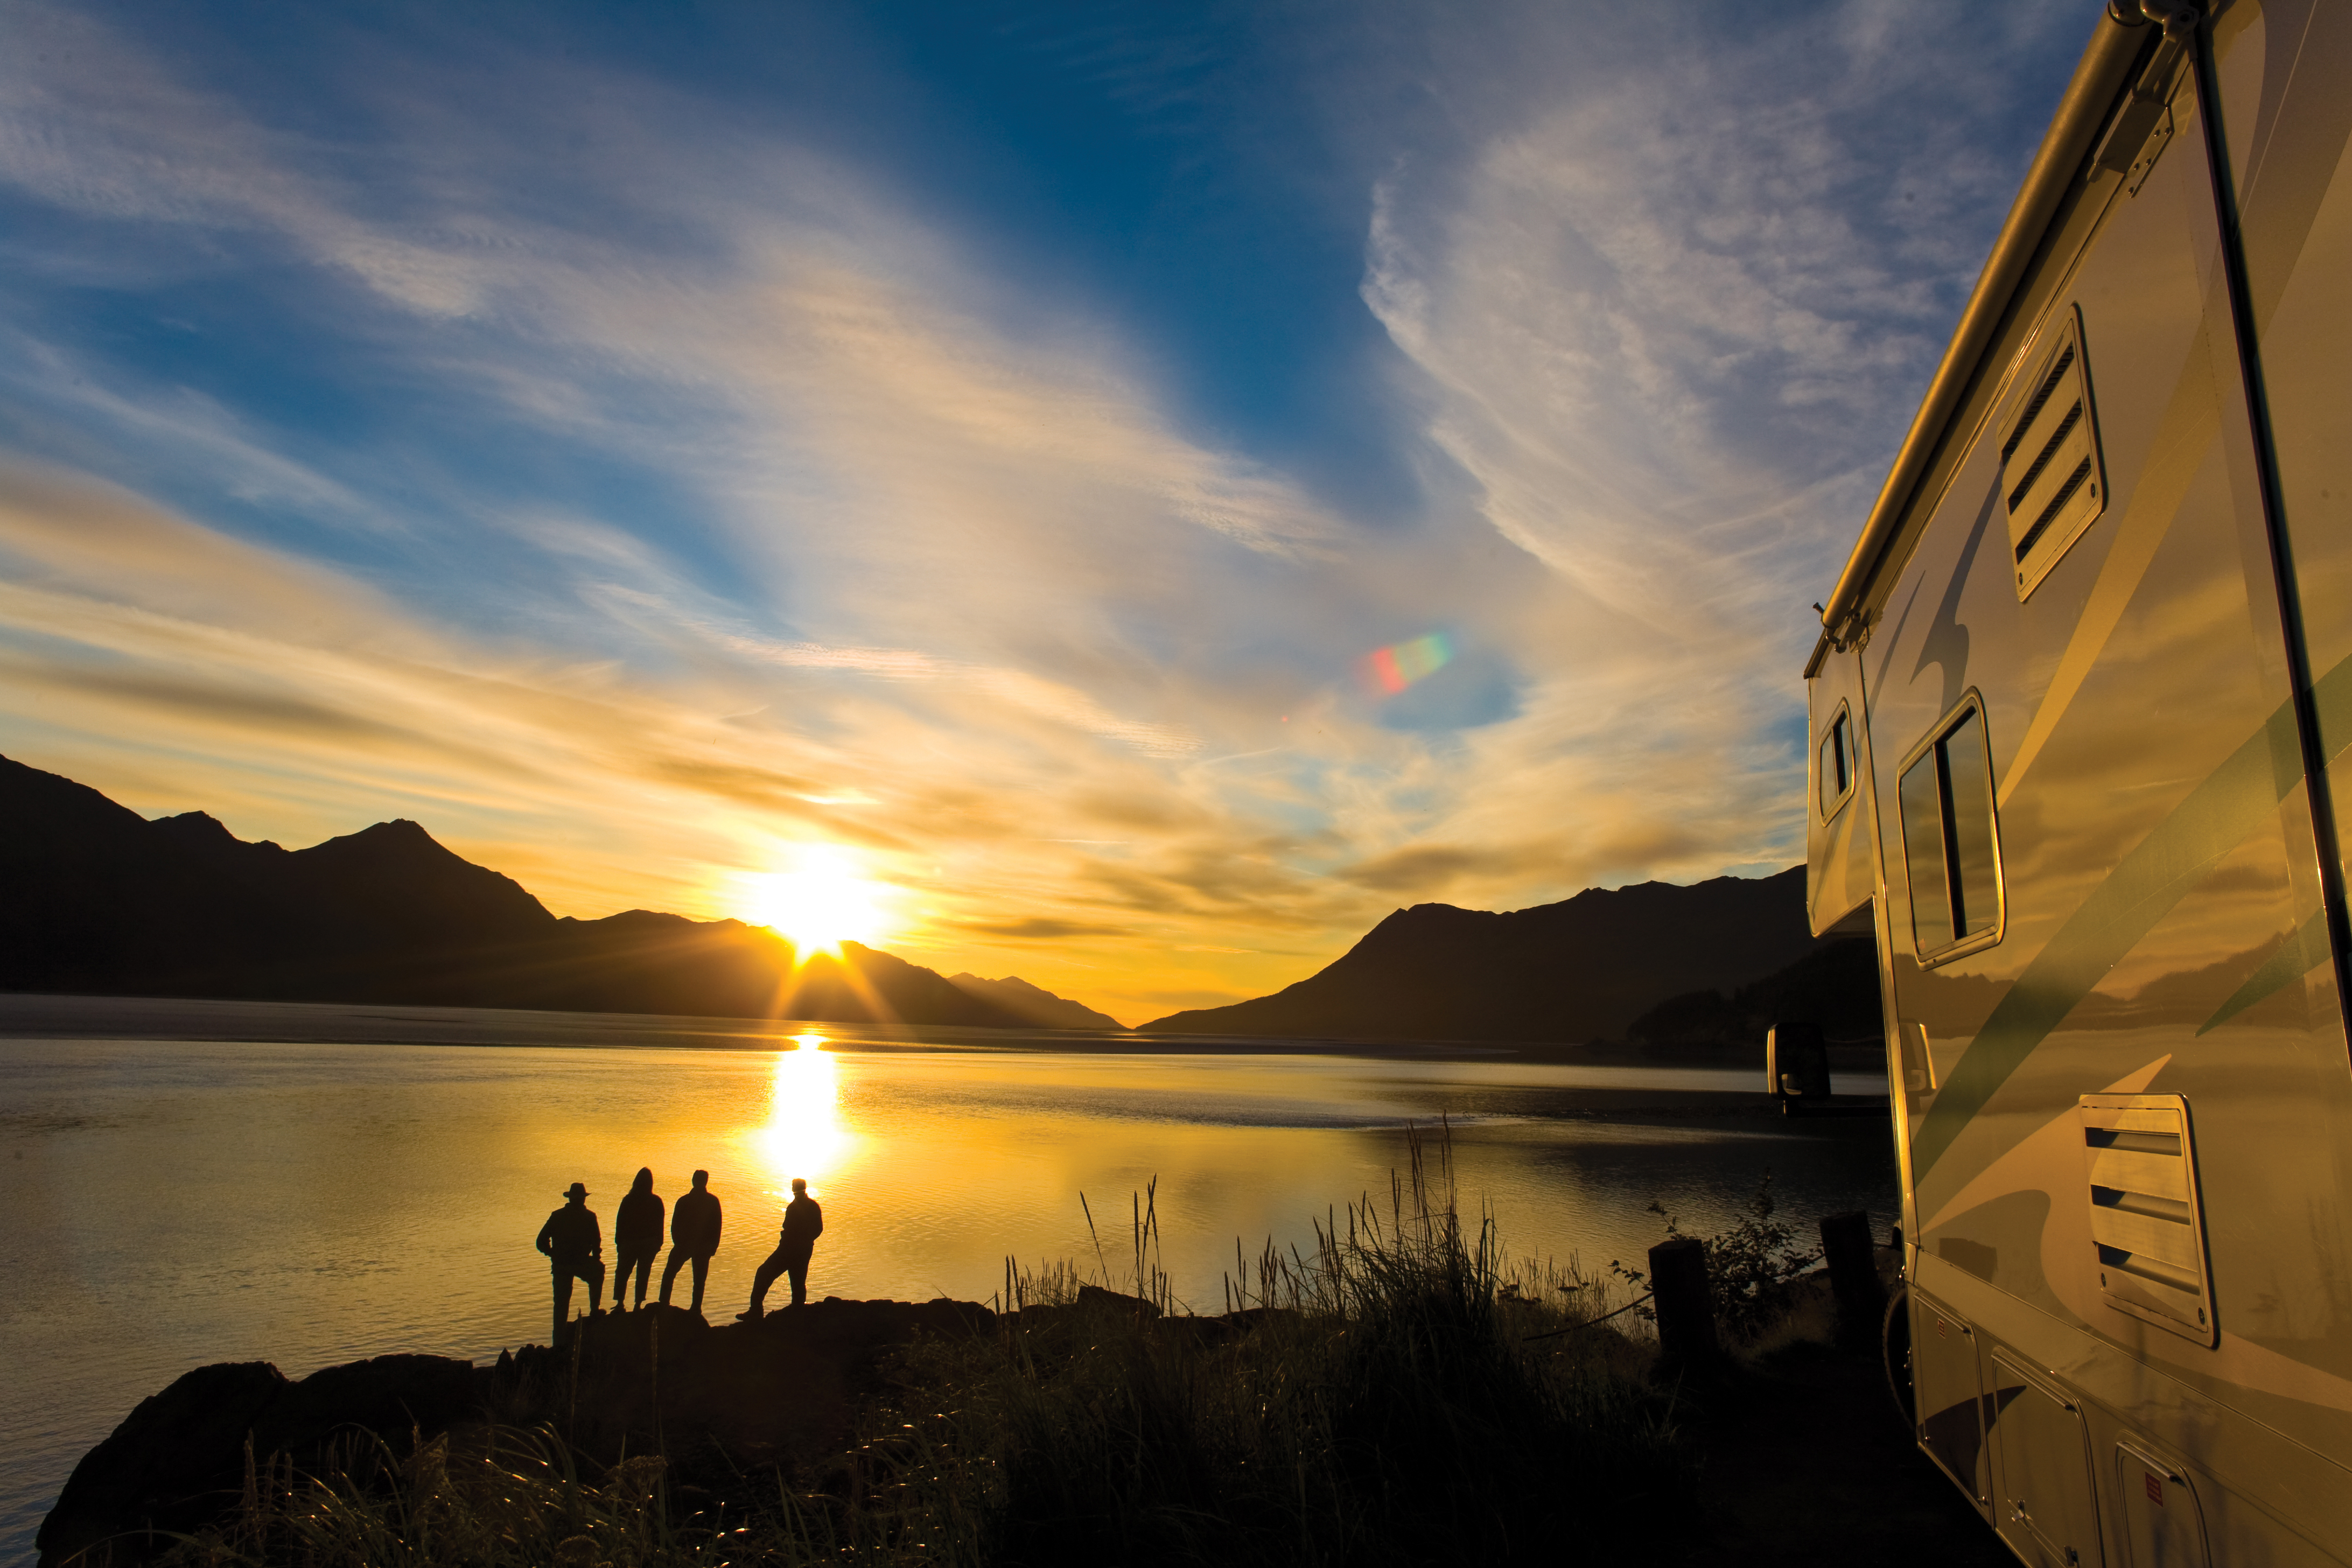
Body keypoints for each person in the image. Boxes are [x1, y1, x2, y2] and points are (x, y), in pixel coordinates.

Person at [742, 1178, 823, 1318]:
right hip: (801, 1249)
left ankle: (756, 1311)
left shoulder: (798, 1207)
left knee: (764, 1274)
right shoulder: (810, 1205)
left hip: (789, 1250)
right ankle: (797, 1311)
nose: (792, 1188)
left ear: (794, 1189)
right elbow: (818, 1229)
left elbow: (814, 1229)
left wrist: (801, 1242)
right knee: (798, 1281)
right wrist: (806, 1242)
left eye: (793, 1186)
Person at [535, 1180, 604, 1340]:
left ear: (570, 1198)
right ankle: (595, 1310)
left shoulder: (557, 1216)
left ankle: (558, 1337)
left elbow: (541, 1241)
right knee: (598, 1271)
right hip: (581, 1262)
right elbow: (596, 1242)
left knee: (561, 1303)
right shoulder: (589, 1217)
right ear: (583, 1199)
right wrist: (595, 1259)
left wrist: (553, 1254)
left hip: (561, 1265)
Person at [660, 1168, 723, 1314]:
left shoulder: (684, 1200)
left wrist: (679, 1242)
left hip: (687, 1245)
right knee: (699, 1280)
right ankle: (695, 1308)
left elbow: (675, 1225)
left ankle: (664, 1303)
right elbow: (717, 1226)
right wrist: (713, 1247)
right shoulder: (712, 1201)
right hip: (700, 1246)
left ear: (694, 1181)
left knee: (670, 1274)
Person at [613, 1167, 664, 1312]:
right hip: (648, 1244)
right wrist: (658, 1244)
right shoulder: (656, 1201)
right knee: (643, 1274)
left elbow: (620, 1223)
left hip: (629, 1243)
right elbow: (660, 1224)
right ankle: (638, 1305)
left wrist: (619, 1243)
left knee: (622, 1273)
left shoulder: (628, 1200)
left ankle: (620, 1303)